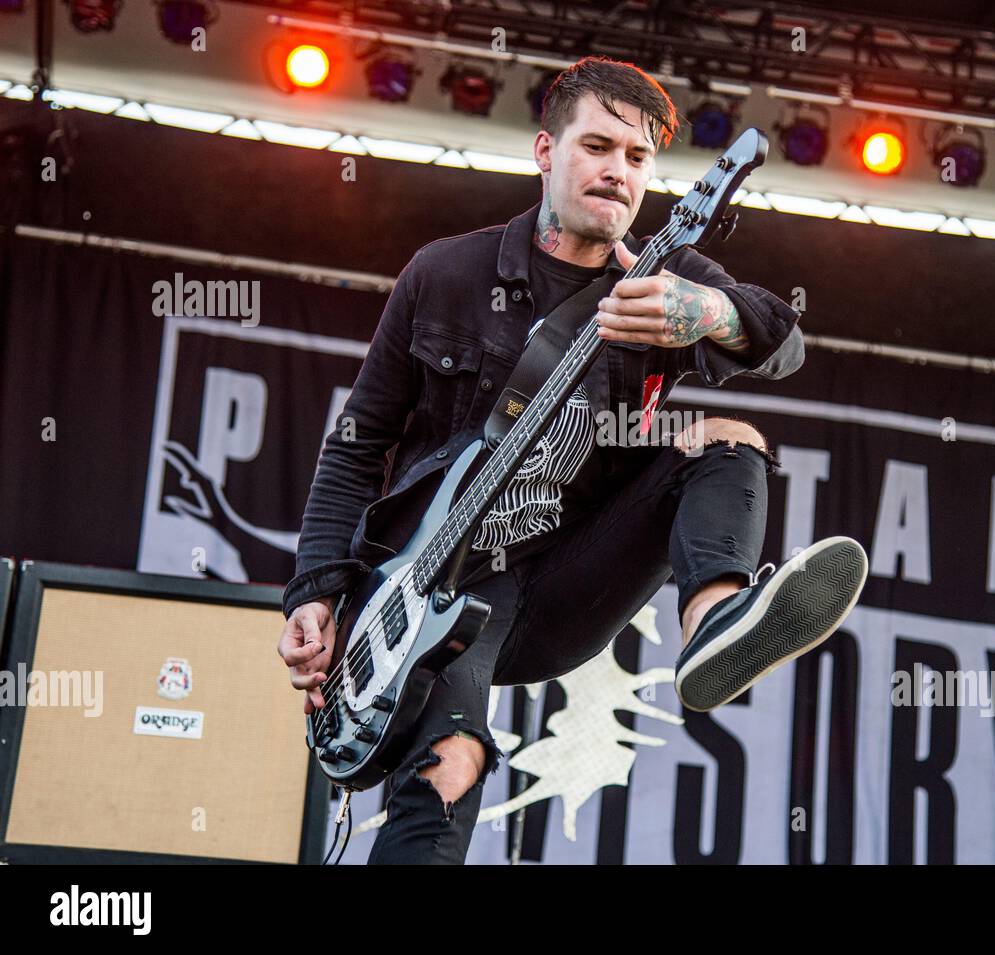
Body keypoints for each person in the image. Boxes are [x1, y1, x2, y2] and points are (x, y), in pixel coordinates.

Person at [276, 55, 867, 864]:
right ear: (545, 151)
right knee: (453, 761)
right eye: (597, 146)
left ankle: (715, 623)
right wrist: (315, 589)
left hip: (563, 584)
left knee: (728, 440)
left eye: (637, 157)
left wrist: (707, 311)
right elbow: (356, 447)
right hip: (442, 582)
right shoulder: (445, 273)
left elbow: (786, 342)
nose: (618, 172)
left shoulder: (664, 276)